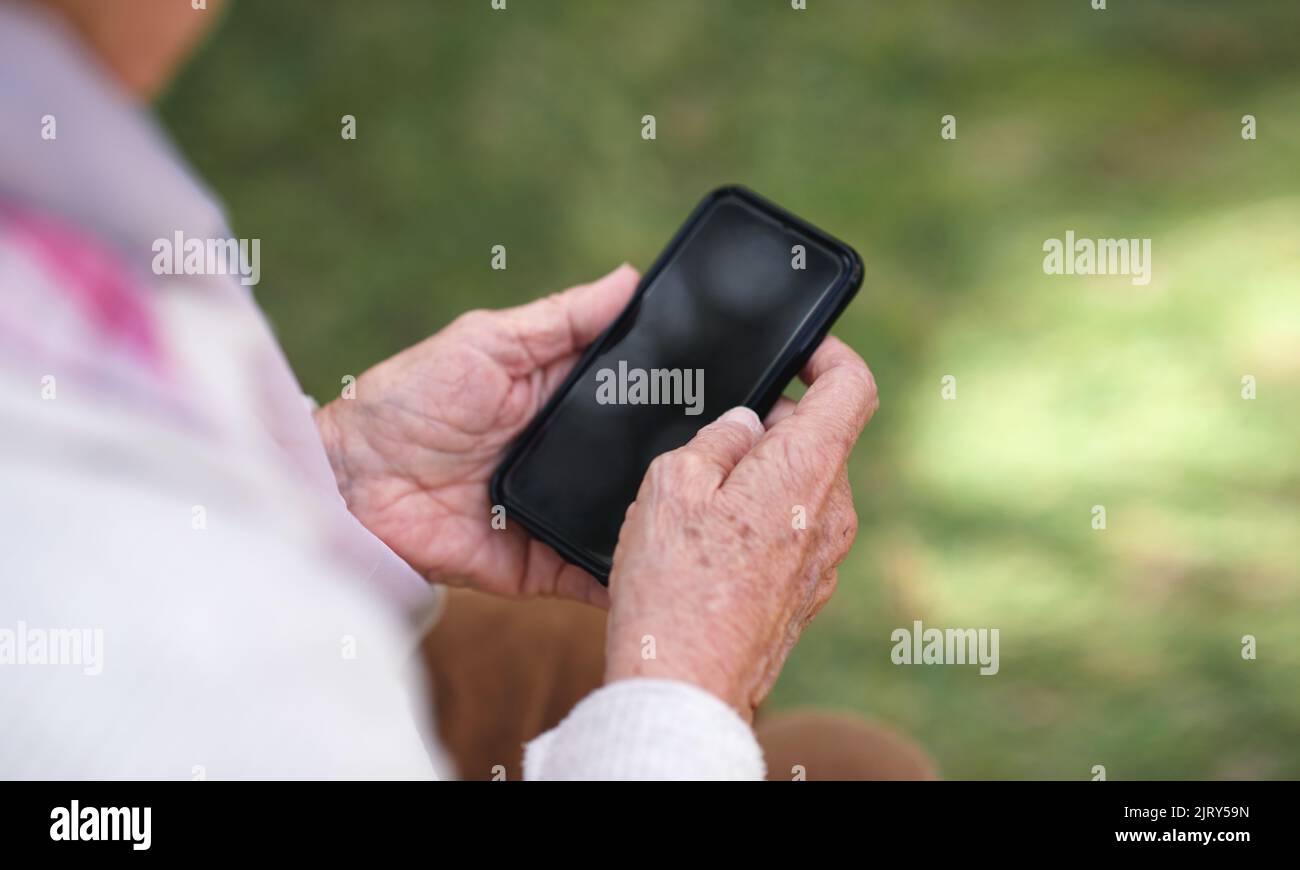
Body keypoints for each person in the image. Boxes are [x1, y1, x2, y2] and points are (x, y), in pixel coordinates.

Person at [0, 0, 935, 780]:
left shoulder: (54, 201)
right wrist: (692, 677)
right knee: (857, 768)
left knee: (581, 649)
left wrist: (340, 478)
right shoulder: (101, 648)